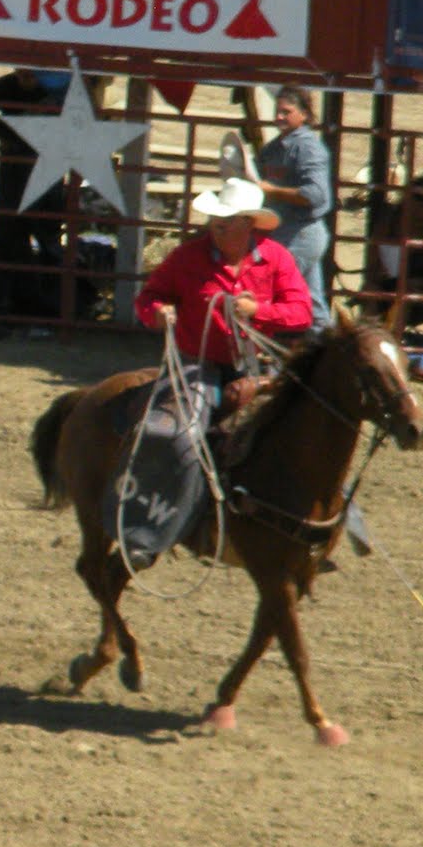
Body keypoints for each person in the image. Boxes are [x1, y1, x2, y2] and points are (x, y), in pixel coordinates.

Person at [108, 178, 312, 568]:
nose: (215, 226)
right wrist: (159, 313)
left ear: (249, 223)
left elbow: (302, 311)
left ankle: (324, 528)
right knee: (178, 434)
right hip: (197, 362)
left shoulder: (276, 259)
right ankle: (154, 527)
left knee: (311, 427)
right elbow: (149, 297)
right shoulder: (187, 257)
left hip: (259, 364)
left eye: (226, 220)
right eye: (215, 219)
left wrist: (261, 313)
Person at [0, 67, 62, 317]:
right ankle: (12, 297)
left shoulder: (55, 86)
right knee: (9, 229)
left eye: (32, 74)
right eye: (22, 73)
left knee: (46, 230)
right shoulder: (4, 84)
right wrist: (4, 137)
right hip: (16, 161)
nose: (26, 78)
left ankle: (48, 299)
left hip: (45, 160)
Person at [256, 85, 333, 332]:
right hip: (293, 232)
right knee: (313, 302)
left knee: (271, 290)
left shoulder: (307, 148)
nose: (279, 117)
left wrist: (272, 191)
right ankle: (327, 352)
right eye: (277, 111)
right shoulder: (275, 148)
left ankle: (270, 352)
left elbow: (316, 194)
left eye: (286, 112)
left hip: (299, 232)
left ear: (304, 115)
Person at [361, 171, 423, 327]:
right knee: (370, 289)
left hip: (421, 292)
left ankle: (394, 337)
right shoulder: (387, 225)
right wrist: (378, 274)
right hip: (387, 285)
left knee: (405, 295)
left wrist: (417, 283)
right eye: (419, 198)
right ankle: (367, 336)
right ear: (407, 198)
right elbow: (371, 268)